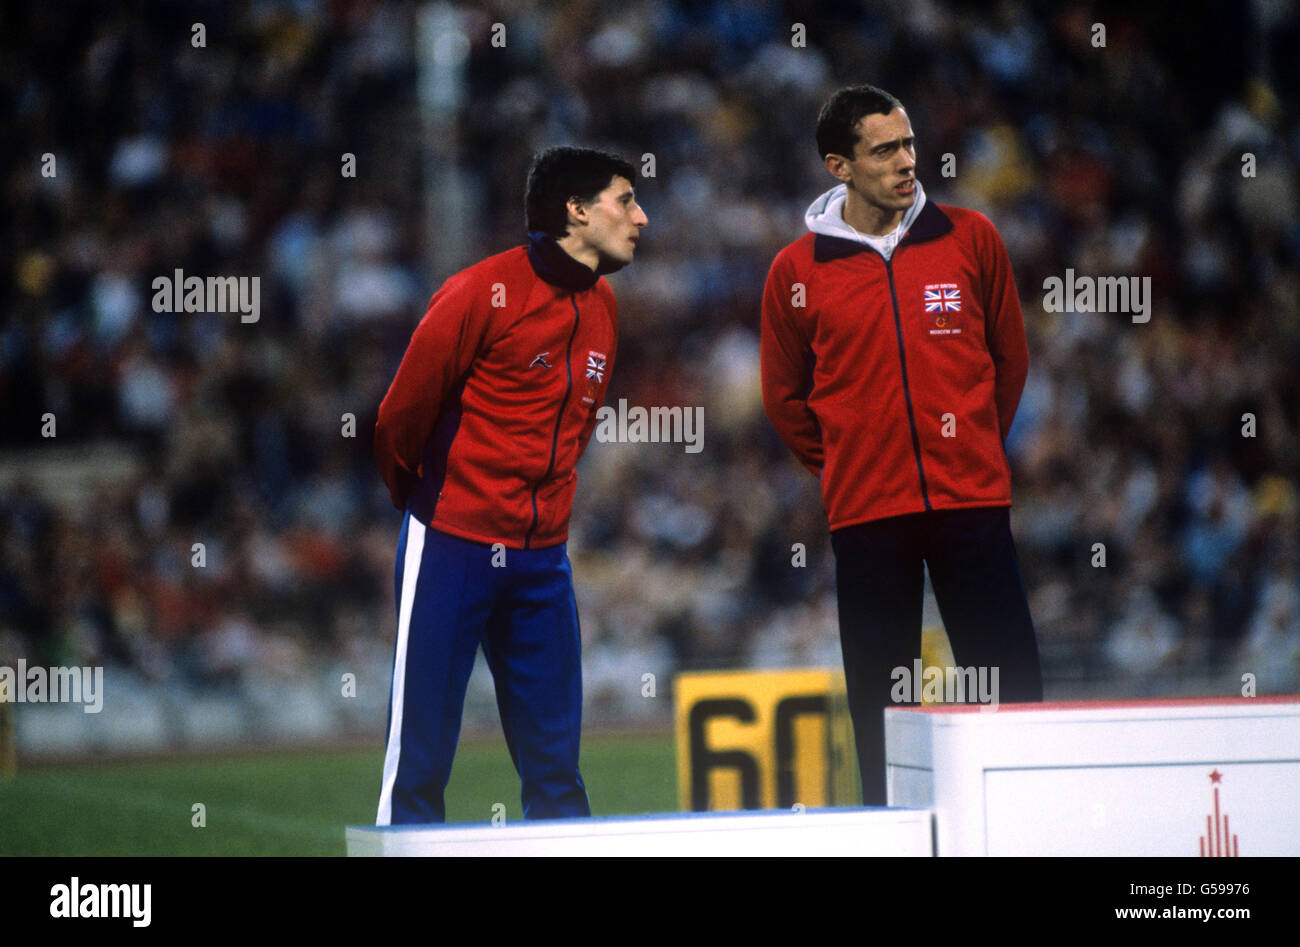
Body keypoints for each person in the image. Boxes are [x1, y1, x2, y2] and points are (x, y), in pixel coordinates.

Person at [760, 84, 1043, 806]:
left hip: (970, 500)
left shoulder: (972, 238)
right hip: (867, 513)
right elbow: (785, 399)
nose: (907, 160)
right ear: (839, 166)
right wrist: (852, 459)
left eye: (909, 142)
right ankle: (891, 832)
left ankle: (1029, 823)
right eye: (884, 150)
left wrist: (972, 442)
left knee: (1011, 684)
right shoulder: (795, 272)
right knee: (883, 702)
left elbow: (1009, 363)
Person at [372, 146, 647, 824]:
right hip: (452, 546)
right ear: (576, 212)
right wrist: (430, 506)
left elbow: (576, 429)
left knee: (556, 766)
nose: (641, 217)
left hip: (543, 557)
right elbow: (398, 417)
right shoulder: (478, 292)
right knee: (419, 759)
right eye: (625, 200)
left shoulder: (605, 306)